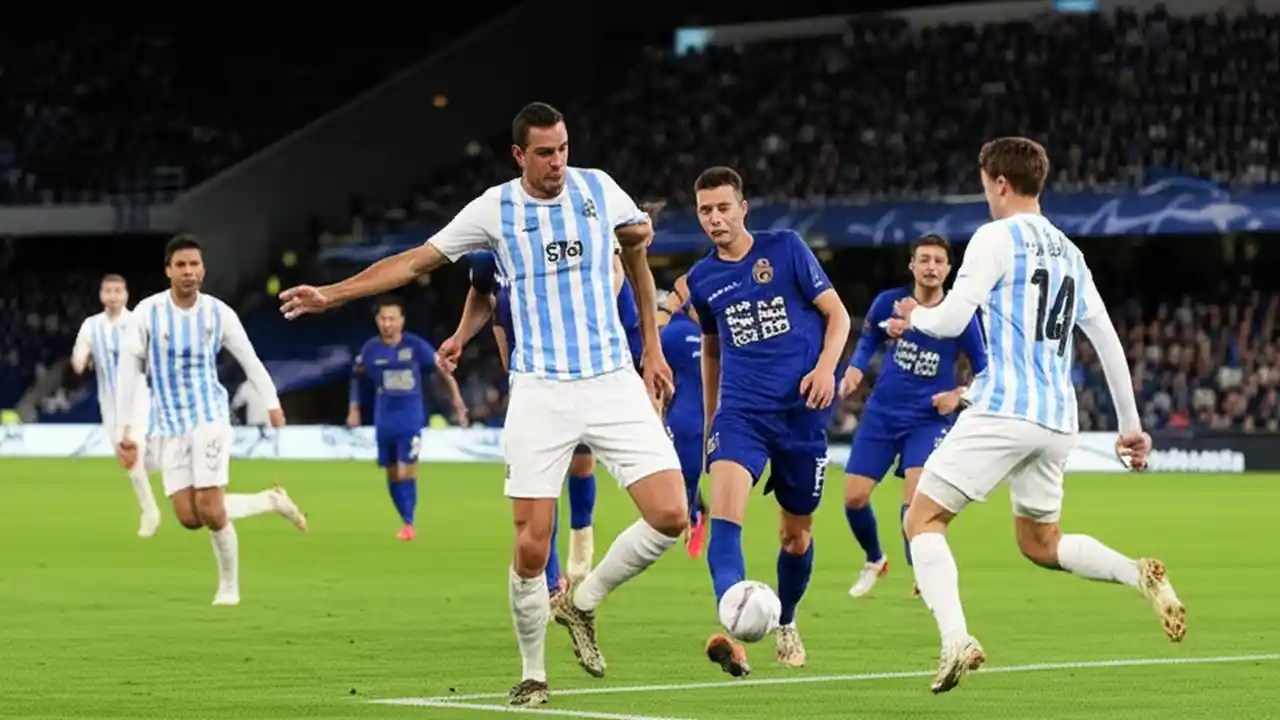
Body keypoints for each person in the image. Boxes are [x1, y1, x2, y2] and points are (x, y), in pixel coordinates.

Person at [279, 102, 687, 708]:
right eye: (544, 153)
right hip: (540, 390)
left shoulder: (599, 189)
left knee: (671, 514)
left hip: (611, 379)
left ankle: (582, 602)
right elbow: (415, 261)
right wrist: (333, 295)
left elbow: (637, 253)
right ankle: (534, 674)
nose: (557, 162)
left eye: (563, 149)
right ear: (519, 155)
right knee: (532, 544)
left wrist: (651, 349)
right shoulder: (494, 209)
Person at [890, 137, 1186, 694]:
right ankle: (1136, 572)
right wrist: (1130, 427)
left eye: (985, 185)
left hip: (1004, 408)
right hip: (1056, 421)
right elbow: (1107, 341)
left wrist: (914, 319)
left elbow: (950, 320)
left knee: (922, 520)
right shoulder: (1071, 253)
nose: (986, 195)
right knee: (1040, 543)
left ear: (1001, 184)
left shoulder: (994, 237)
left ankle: (956, 639)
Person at [686, 166, 851, 677]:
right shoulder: (702, 279)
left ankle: (787, 619)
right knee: (725, 523)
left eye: (723, 207)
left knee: (794, 537)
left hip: (800, 415)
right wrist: (712, 419)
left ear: (743, 208)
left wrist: (825, 369)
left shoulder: (786, 249)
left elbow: (838, 315)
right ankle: (733, 627)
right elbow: (712, 350)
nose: (715, 218)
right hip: (741, 414)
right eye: (705, 210)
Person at [114, 234, 309, 607]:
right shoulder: (147, 313)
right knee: (190, 517)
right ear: (169, 271)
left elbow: (249, 360)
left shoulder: (218, 313)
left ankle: (228, 588)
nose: (188, 271)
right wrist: (127, 430)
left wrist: (272, 403)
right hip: (168, 424)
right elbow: (128, 369)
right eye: (181, 265)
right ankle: (271, 500)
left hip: (210, 418)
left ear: (203, 270)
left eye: (194, 264)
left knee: (211, 509)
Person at [839, 234, 987, 598]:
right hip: (882, 414)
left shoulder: (960, 315)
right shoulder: (889, 302)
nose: (931, 267)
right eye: (924, 259)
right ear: (912, 265)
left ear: (949, 269)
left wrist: (958, 395)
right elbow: (869, 338)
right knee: (854, 498)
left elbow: (986, 369)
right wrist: (856, 368)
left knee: (916, 501)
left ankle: (923, 574)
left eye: (938, 261)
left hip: (927, 419)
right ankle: (875, 559)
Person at [348, 295, 468, 541]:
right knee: (392, 473)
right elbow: (356, 376)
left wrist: (457, 399)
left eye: (392, 318)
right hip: (384, 419)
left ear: (402, 320)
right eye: (383, 318)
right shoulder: (370, 349)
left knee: (405, 471)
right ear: (377, 320)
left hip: (410, 418)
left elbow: (443, 368)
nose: (387, 323)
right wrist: (354, 408)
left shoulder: (415, 347)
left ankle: (409, 523)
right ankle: (405, 520)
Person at [71, 273, 161, 538]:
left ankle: (150, 513)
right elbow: (78, 358)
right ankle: (167, 461)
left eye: (117, 291)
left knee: (131, 450)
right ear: (101, 295)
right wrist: (80, 363)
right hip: (109, 402)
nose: (113, 296)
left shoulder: (137, 323)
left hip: (137, 398)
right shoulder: (91, 326)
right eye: (108, 291)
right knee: (132, 460)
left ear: (126, 294)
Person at [658, 274, 710, 557]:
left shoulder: (676, 333)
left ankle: (691, 517)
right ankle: (694, 514)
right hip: (700, 415)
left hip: (686, 416)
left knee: (680, 474)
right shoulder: (689, 333)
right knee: (685, 473)